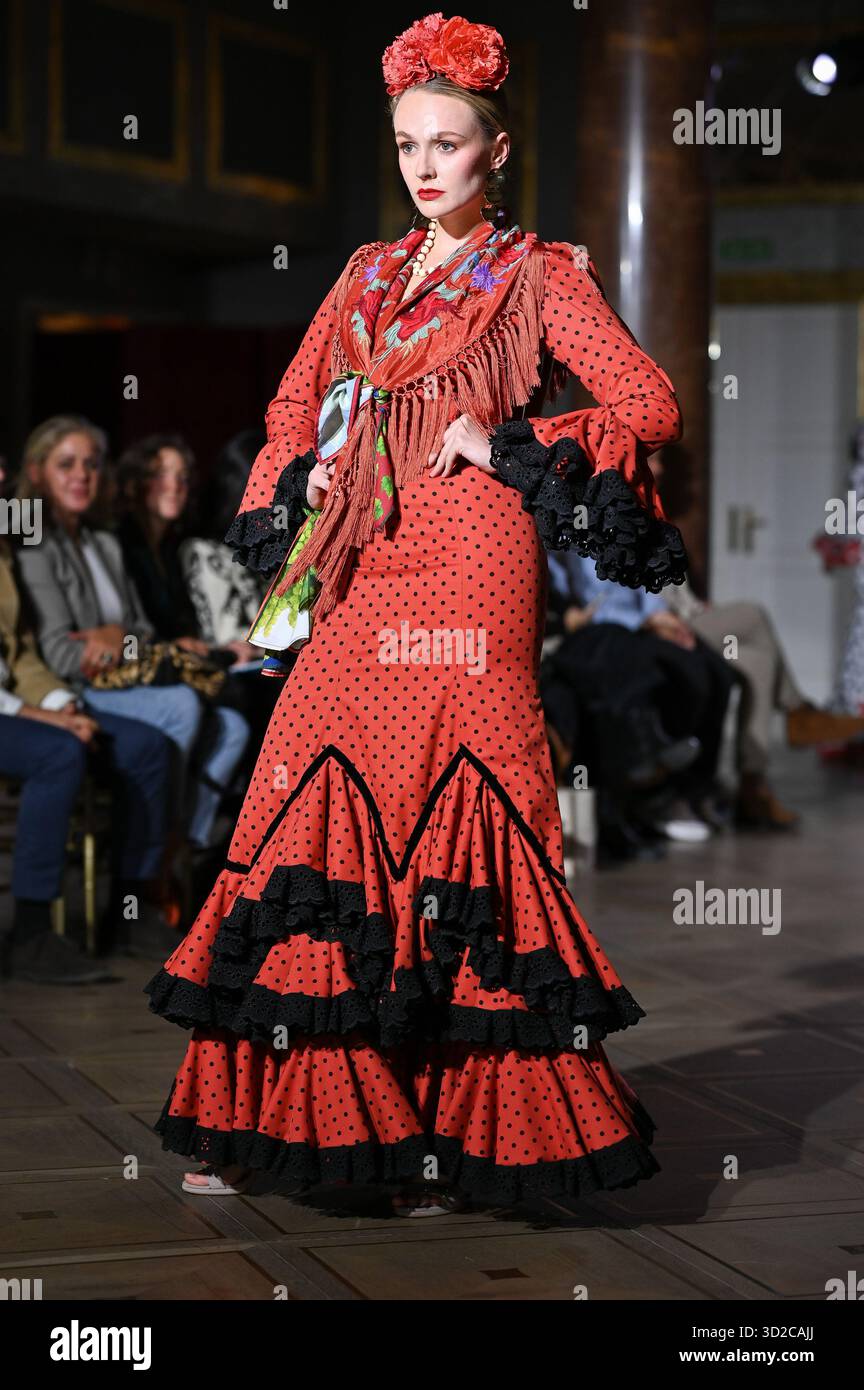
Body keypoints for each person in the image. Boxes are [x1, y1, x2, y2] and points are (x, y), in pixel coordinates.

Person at [146, 13, 686, 1214]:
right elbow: (290, 408)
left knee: (465, 822)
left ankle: (458, 1130)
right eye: (407, 144)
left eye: (449, 143)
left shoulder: (542, 273)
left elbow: (650, 403)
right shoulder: (364, 277)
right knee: (307, 797)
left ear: (497, 153)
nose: (426, 165)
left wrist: (507, 441)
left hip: (474, 567)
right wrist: (307, 471)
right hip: (361, 568)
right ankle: (277, 1109)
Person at [14, 417, 249, 857]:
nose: (82, 475)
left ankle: (188, 846)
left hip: (124, 675)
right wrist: (125, 640)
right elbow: (63, 654)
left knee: (233, 727)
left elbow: (142, 630)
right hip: (75, 688)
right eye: (67, 464)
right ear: (36, 472)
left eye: (92, 464)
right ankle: (157, 853)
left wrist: (116, 634)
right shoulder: (34, 547)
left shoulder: (104, 543)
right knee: (181, 704)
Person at [0, 528, 173, 982]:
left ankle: (131, 912)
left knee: (146, 746)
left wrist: (61, 704)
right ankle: (30, 935)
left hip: (19, 697)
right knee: (59, 753)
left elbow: (19, 655)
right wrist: (39, 714)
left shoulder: (2, 547)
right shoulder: (29, 545)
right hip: (8, 708)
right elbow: (56, 651)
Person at [546, 551, 737, 845]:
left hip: (637, 625)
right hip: (596, 629)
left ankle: (693, 784)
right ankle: (654, 781)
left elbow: (643, 578)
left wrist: (659, 617)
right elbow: (565, 591)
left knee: (715, 670)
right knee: (646, 672)